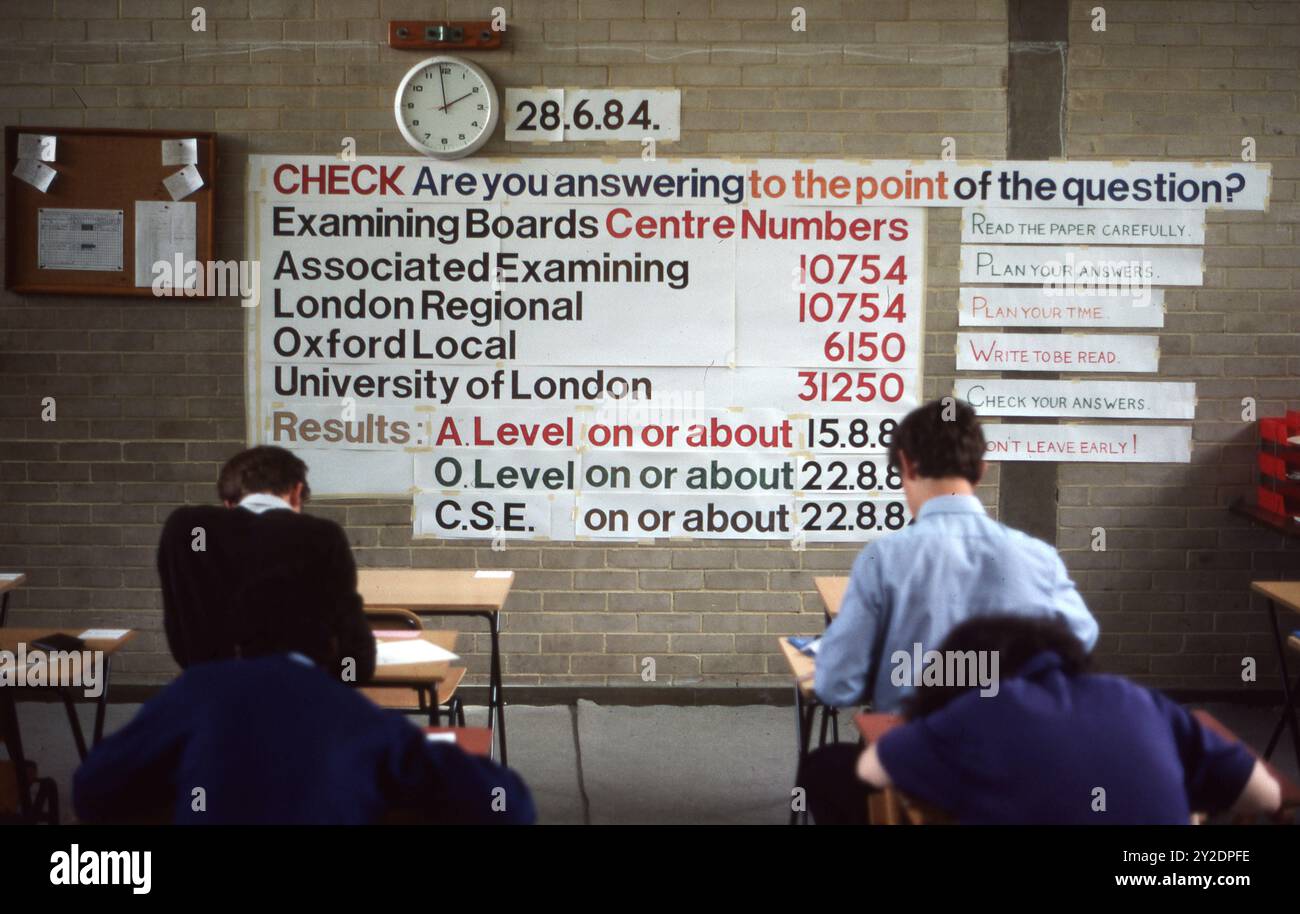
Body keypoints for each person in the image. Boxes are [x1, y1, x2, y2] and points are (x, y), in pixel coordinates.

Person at [74, 570, 535, 825]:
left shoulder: (195, 691)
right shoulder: (361, 720)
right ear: (335, 645)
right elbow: (506, 805)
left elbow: (92, 788)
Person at [805, 615, 1281, 825]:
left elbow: (871, 770)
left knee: (829, 766)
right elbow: (1267, 796)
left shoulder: (979, 710)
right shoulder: (1139, 700)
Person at [814, 398, 1099, 711]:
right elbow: (1081, 638)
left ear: (906, 464)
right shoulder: (1040, 558)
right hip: (1011, 734)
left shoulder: (881, 559)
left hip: (913, 737)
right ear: (980, 470)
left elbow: (837, 686)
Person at [158, 445, 376, 682]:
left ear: (228, 503)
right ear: (296, 492)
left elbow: (180, 631)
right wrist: (347, 677)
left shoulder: (189, 529)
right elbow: (352, 646)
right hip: (298, 690)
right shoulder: (322, 535)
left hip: (211, 691)